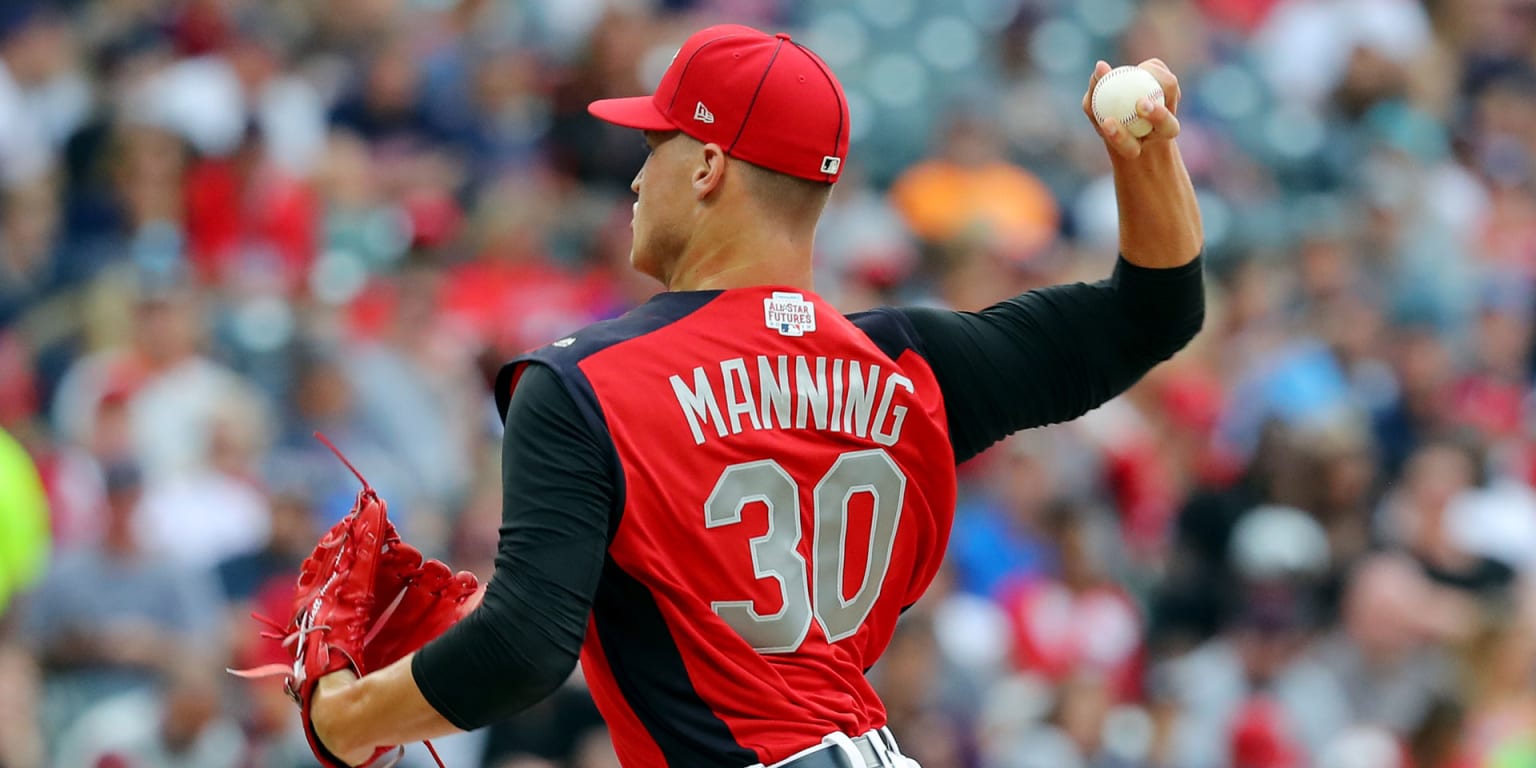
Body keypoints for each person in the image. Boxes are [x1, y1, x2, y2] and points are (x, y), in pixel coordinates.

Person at [303, 23, 1204, 768]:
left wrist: (345, 720)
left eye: (653, 146)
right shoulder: (911, 362)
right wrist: (1148, 155)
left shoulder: (585, 383)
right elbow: (1155, 313)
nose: (635, 177)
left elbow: (523, 648)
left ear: (706, 167)